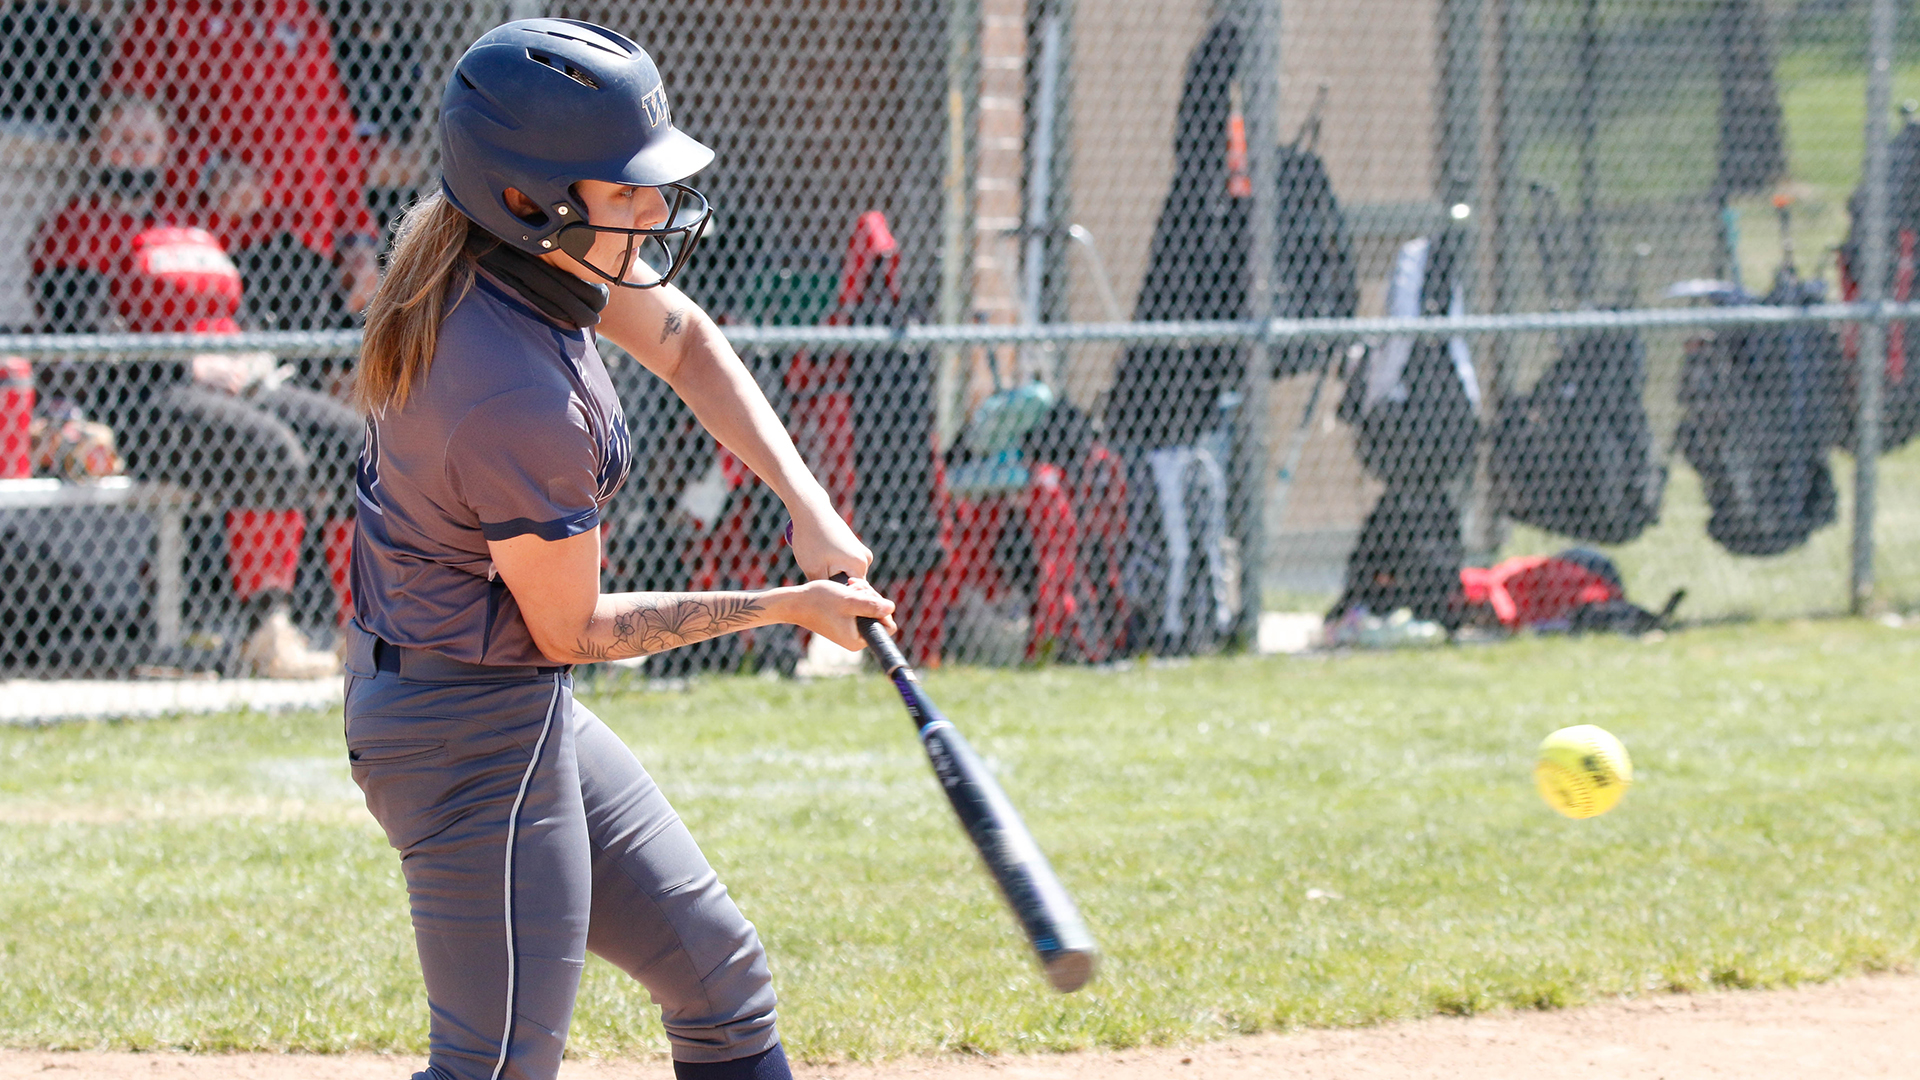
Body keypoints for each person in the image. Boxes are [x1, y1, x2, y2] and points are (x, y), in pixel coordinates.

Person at [344, 20, 894, 1080]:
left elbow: (682, 338)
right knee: (497, 1065)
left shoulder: (514, 261)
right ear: (527, 197)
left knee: (719, 981)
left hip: (501, 701)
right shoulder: (515, 395)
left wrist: (806, 503)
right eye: (625, 189)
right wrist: (784, 606)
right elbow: (575, 626)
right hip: (464, 739)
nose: (653, 210)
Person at [33, 96, 356, 677]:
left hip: (236, 383)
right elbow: (75, 338)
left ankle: (360, 630)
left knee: (354, 442)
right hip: (143, 398)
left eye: (147, 143)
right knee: (272, 451)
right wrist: (183, 366)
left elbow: (234, 310)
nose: (136, 155)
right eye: (123, 142)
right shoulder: (76, 227)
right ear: (96, 148)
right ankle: (268, 632)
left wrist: (249, 356)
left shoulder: (188, 223)